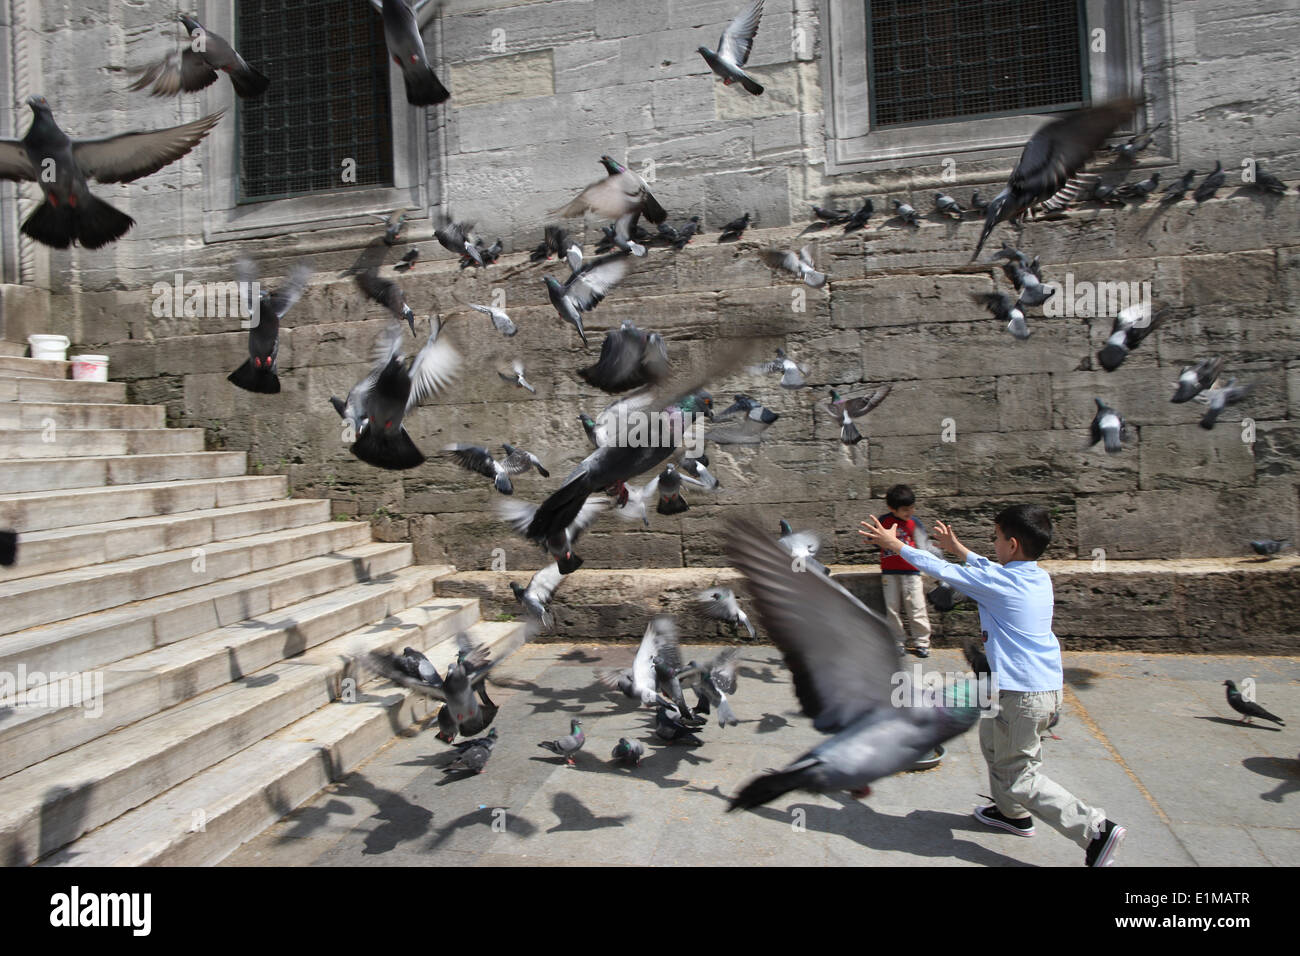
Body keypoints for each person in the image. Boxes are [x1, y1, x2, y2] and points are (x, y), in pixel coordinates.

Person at [858, 504, 1128, 867]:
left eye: (997, 538)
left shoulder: (1000, 584)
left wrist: (896, 545)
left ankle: (1094, 829)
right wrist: (959, 548)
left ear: (1012, 544)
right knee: (991, 741)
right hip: (1027, 688)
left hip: (1023, 694)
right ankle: (1011, 814)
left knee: (1020, 775)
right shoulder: (1036, 577)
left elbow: (942, 571)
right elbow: (987, 568)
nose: (994, 544)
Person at [875, 484, 931, 658]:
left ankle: (922, 641)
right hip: (890, 571)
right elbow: (875, 540)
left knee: (916, 606)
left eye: (912, 508)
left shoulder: (915, 523)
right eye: (905, 509)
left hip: (911, 571)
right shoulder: (883, 522)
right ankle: (897, 640)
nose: (910, 512)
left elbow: (923, 545)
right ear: (892, 508)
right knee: (892, 607)